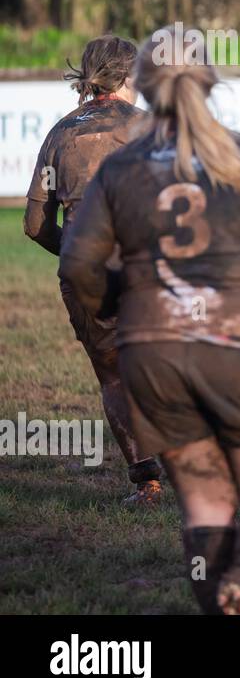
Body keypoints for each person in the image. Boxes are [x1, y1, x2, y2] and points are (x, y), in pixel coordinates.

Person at [59, 27, 240, 614]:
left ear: (144, 85)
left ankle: (223, 596)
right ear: (209, 80)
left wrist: (116, 303)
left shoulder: (121, 166)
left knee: (205, 505)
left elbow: (78, 263)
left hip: (155, 353)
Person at [24, 36, 165, 506]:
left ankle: (147, 483)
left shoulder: (60, 133)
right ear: (130, 76)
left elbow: (34, 225)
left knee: (114, 376)